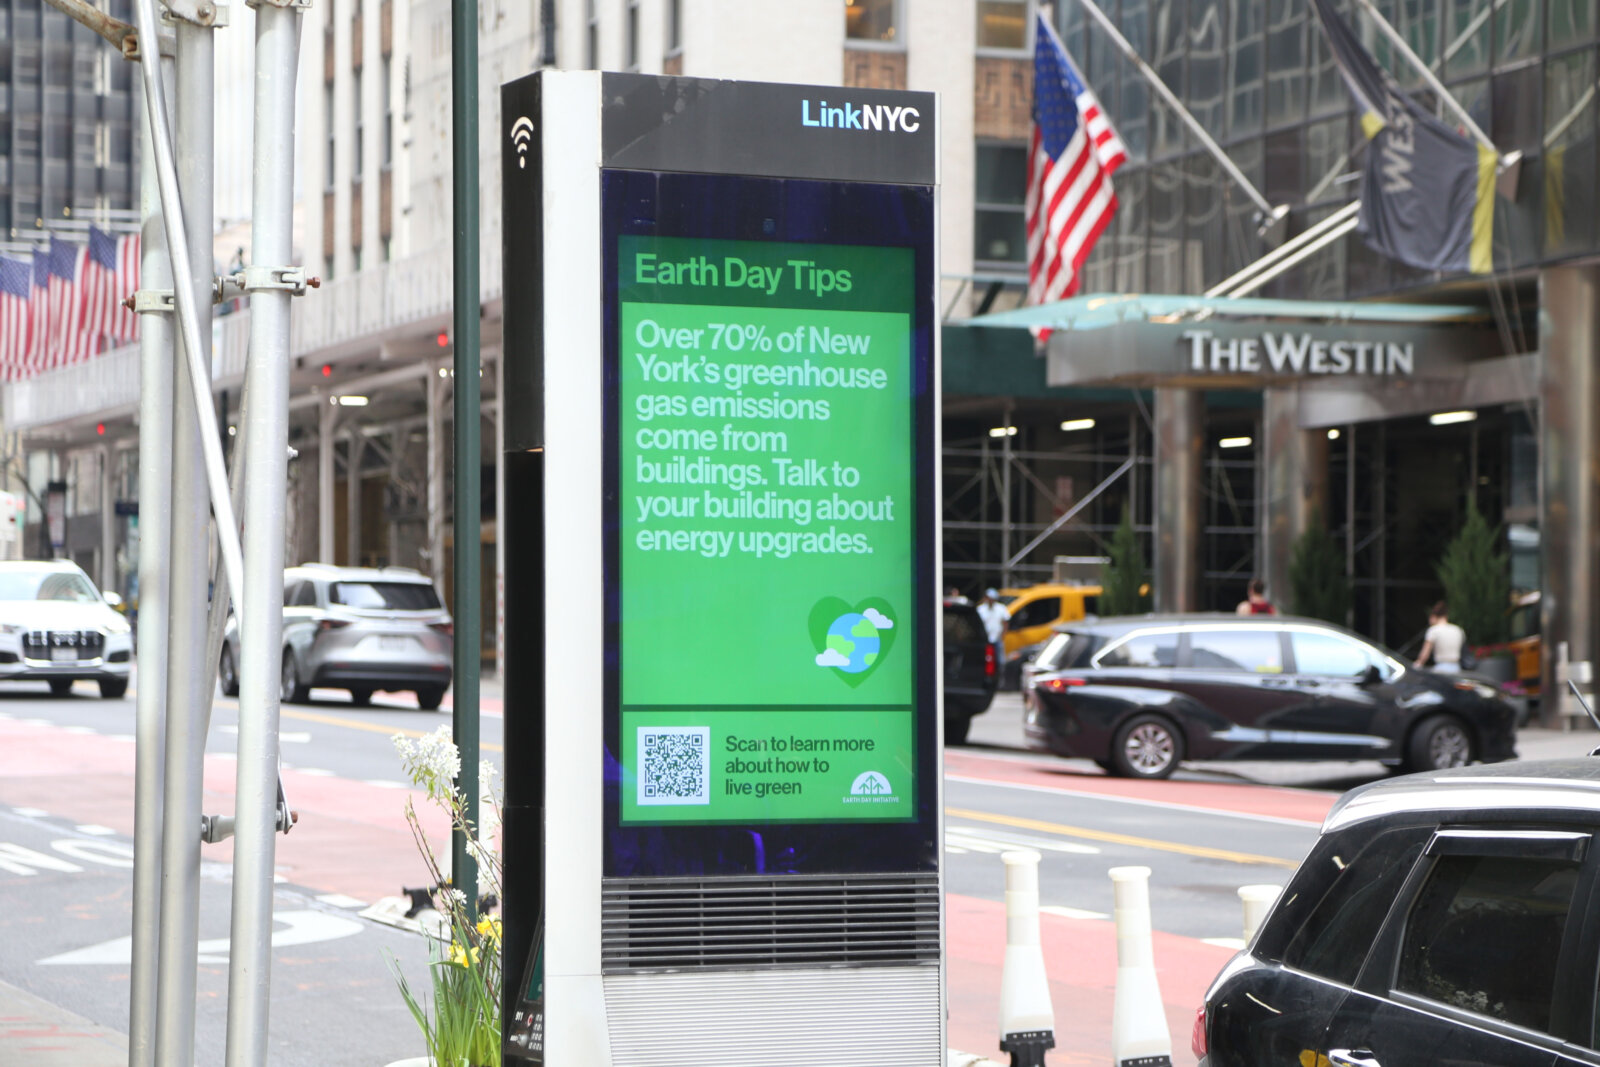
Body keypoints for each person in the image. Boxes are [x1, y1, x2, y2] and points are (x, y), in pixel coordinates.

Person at [1415, 601, 1467, 673]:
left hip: (1441, 668)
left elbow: (1425, 654)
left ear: (1433, 616)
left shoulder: (1433, 630)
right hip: (1456, 668)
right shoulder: (1458, 630)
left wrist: (1417, 665)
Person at [976, 588, 1010, 667]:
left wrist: (1003, 635)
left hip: (997, 639)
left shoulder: (1001, 608)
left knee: (1000, 660)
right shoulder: (980, 609)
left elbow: (1005, 622)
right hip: (985, 639)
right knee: (986, 660)